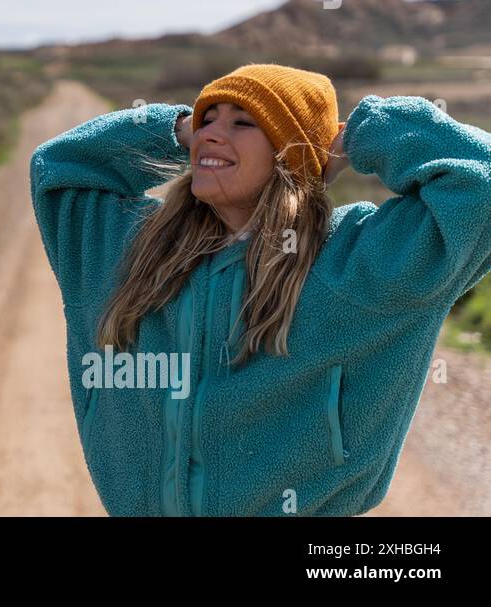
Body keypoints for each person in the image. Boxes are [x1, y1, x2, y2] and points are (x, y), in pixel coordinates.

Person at [29, 62, 491, 516]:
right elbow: (58, 166)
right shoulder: (132, 250)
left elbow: (480, 187)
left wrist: (363, 133)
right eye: (207, 118)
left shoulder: (358, 261)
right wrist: (177, 130)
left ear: (293, 152)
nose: (210, 132)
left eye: (244, 122)